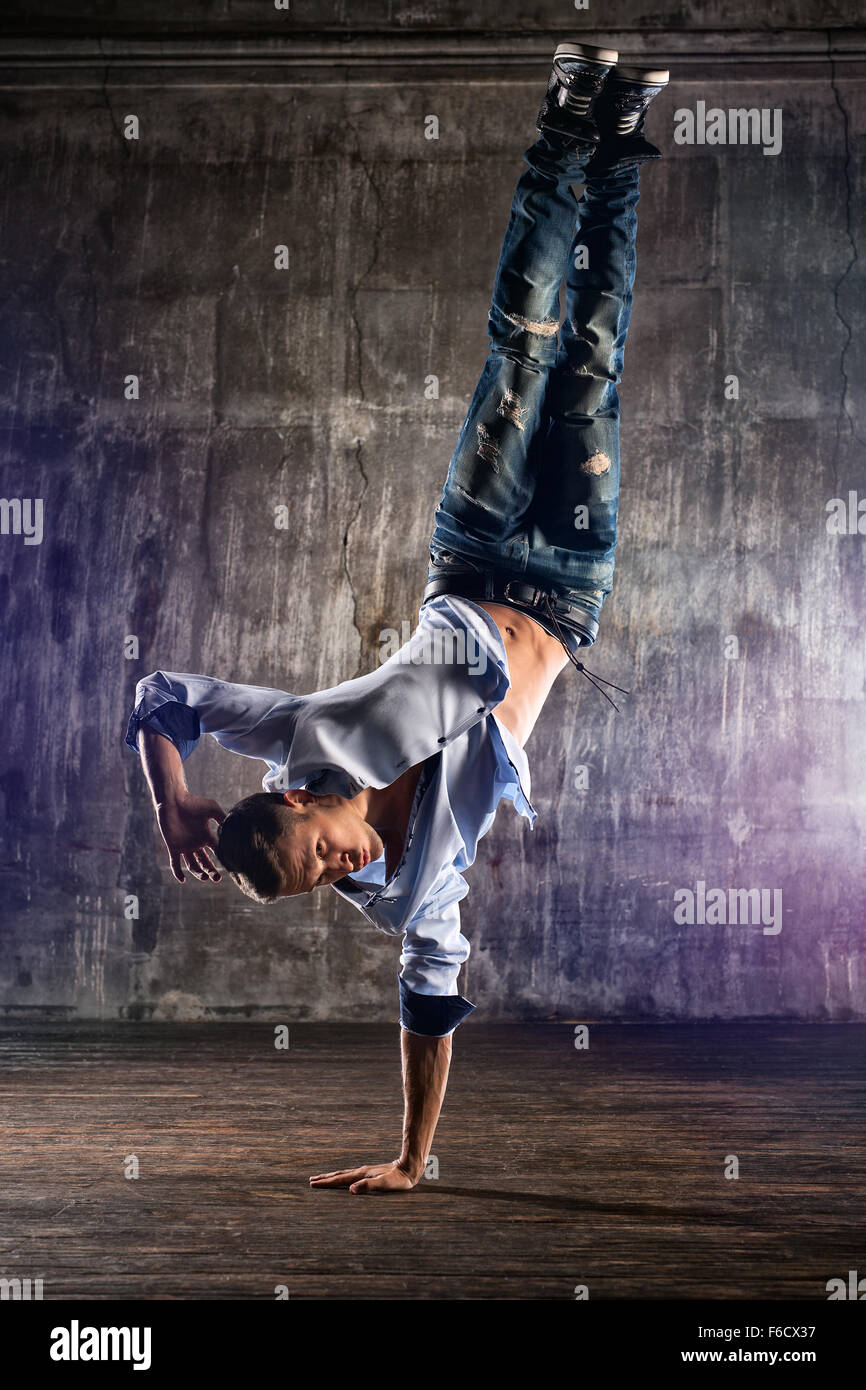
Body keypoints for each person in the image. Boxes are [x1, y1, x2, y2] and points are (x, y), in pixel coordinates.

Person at [125, 42, 669, 1193]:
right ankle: (618, 149)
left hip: (473, 546)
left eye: (327, 850)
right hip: (568, 585)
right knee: (593, 362)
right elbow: (429, 1007)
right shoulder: (411, 890)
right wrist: (413, 1159)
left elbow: (163, 695)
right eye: (336, 878)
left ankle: (566, 118)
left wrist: (174, 796)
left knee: (522, 343)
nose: (350, 865)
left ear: (295, 800)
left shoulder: (303, 732)